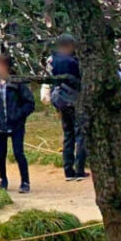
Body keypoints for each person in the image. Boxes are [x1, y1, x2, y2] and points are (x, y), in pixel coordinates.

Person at [0, 53, 34, 193]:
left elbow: (29, 102)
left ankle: (25, 181)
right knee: (0, 154)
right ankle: (3, 179)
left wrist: (20, 114)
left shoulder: (17, 82)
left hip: (16, 125)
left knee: (19, 153)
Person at [47, 34, 87, 181]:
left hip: (60, 100)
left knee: (68, 134)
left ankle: (68, 170)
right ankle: (79, 169)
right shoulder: (72, 62)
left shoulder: (52, 60)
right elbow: (80, 79)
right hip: (74, 99)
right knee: (80, 134)